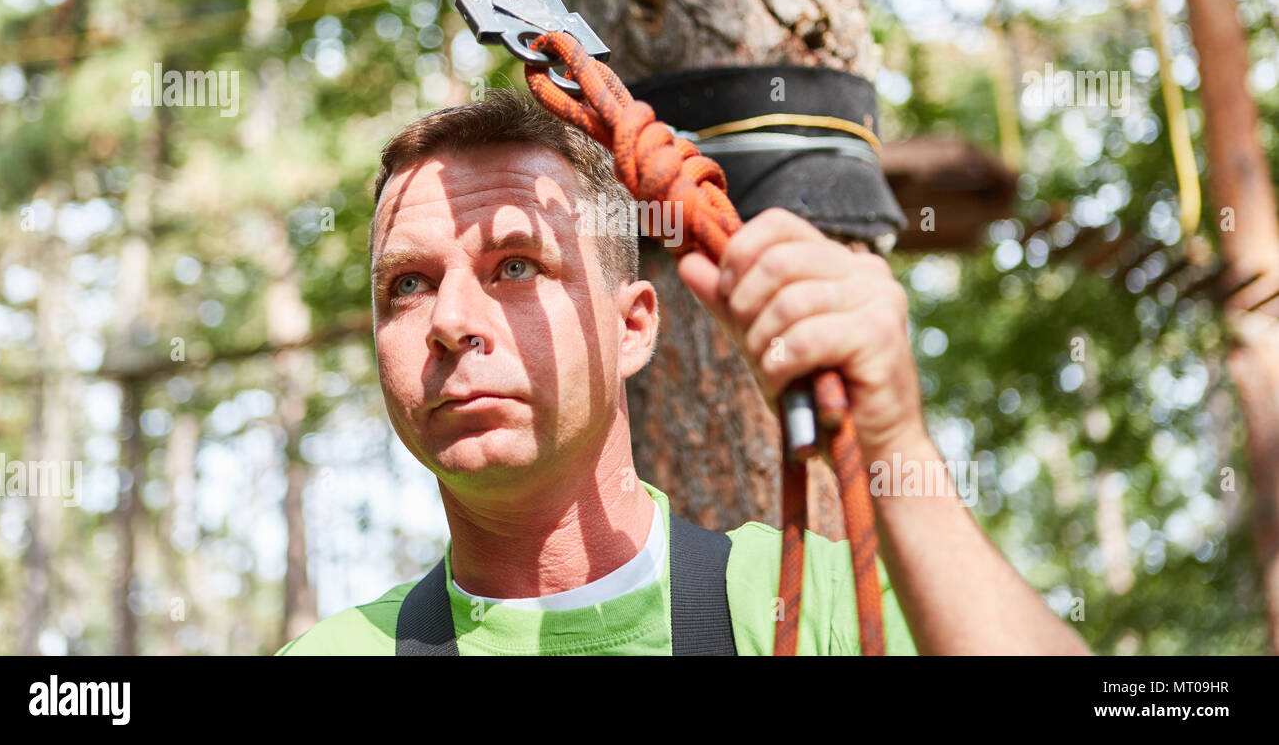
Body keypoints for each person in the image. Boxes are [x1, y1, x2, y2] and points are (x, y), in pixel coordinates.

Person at [276, 88, 1090, 655]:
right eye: (407, 285)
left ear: (631, 328)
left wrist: (892, 441)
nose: (450, 322)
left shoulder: (812, 613)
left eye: (516, 266)